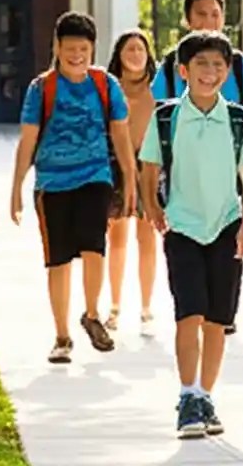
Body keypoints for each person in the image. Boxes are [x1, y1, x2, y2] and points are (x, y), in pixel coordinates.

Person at [139, 30, 243, 439]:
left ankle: (206, 396)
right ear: (183, 71)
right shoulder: (167, 118)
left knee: (216, 320)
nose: (209, 72)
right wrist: (153, 206)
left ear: (227, 71)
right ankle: (187, 395)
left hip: (226, 225)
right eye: (201, 64)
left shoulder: (238, 120)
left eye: (217, 65)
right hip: (182, 226)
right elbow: (149, 166)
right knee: (188, 313)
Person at [10, 11, 136, 364]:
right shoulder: (42, 89)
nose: (77, 56)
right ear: (57, 48)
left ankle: (92, 315)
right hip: (52, 183)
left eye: (83, 49)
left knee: (95, 245)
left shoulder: (106, 85)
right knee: (59, 260)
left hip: (95, 176)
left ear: (92, 49)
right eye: (70, 49)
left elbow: (121, 135)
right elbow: (28, 140)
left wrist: (130, 179)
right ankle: (62, 336)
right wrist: (16, 187)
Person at [151, 0, 243, 335]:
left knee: (227, 249)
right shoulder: (172, 66)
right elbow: (158, 117)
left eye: (216, 14)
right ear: (187, 19)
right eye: (201, 14)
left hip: (229, 170)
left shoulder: (240, 66)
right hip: (185, 177)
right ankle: (195, 309)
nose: (209, 20)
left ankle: (220, 312)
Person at [105, 28, 160, 336]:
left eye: (141, 49)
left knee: (147, 236)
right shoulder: (110, 89)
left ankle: (147, 307)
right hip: (116, 165)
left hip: (150, 166)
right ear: (119, 56)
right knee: (117, 237)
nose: (136, 55)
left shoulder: (158, 88)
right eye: (130, 50)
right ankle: (114, 306)